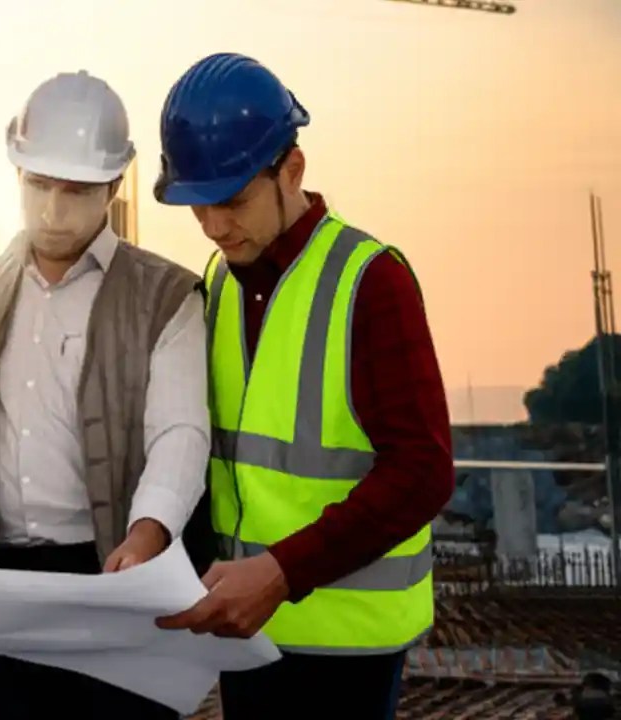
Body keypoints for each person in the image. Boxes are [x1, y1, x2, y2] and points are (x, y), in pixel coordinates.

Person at [151, 52, 454, 718]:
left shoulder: (371, 281)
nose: (213, 225)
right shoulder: (221, 282)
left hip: (346, 651)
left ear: (292, 170)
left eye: (230, 201)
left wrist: (283, 571)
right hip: (245, 633)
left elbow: (425, 472)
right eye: (197, 205)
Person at [0, 70, 210, 720]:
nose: (51, 209)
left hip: (114, 573)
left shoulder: (165, 298)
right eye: (38, 185)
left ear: (114, 184)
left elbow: (180, 433)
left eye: (74, 191)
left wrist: (149, 532)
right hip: (7, 584)